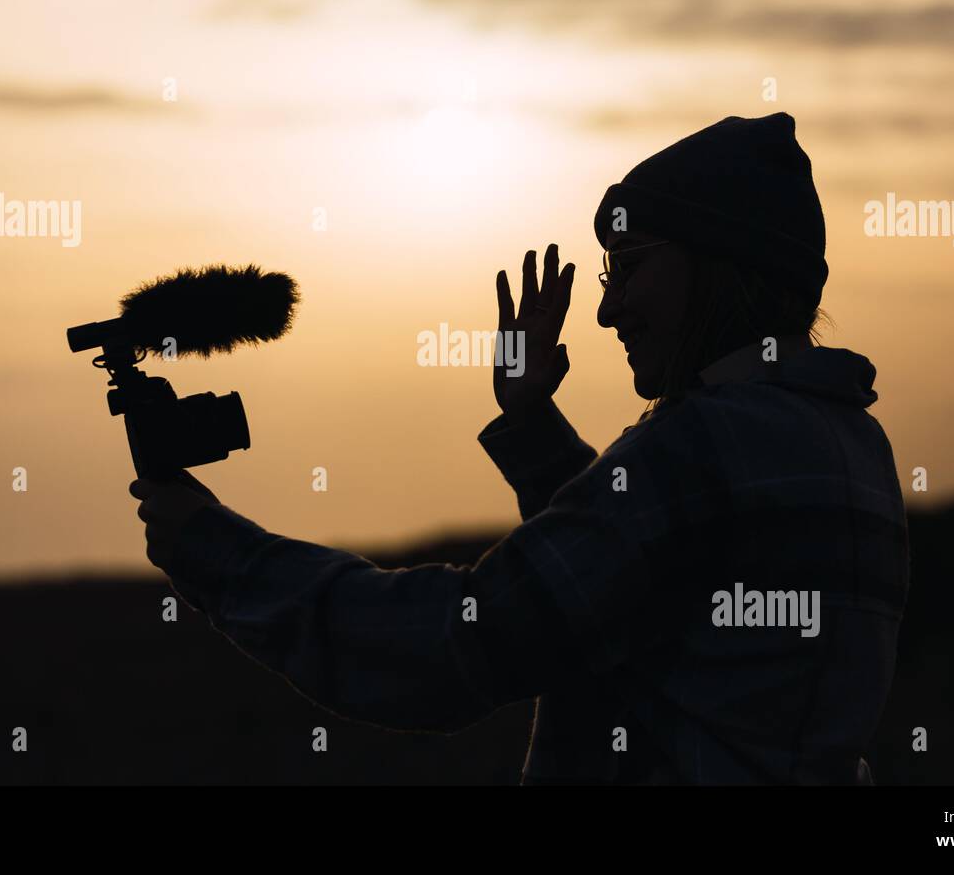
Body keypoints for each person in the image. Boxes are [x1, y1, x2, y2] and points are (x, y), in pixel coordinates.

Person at [130, 112, 910, 784]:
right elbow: (636, 597)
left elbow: (450, 649)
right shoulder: (847, 442)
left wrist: (216, 551)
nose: (607, 313)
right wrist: (532, 423)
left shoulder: (699, 448)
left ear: (718, 267)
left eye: (631, 269)